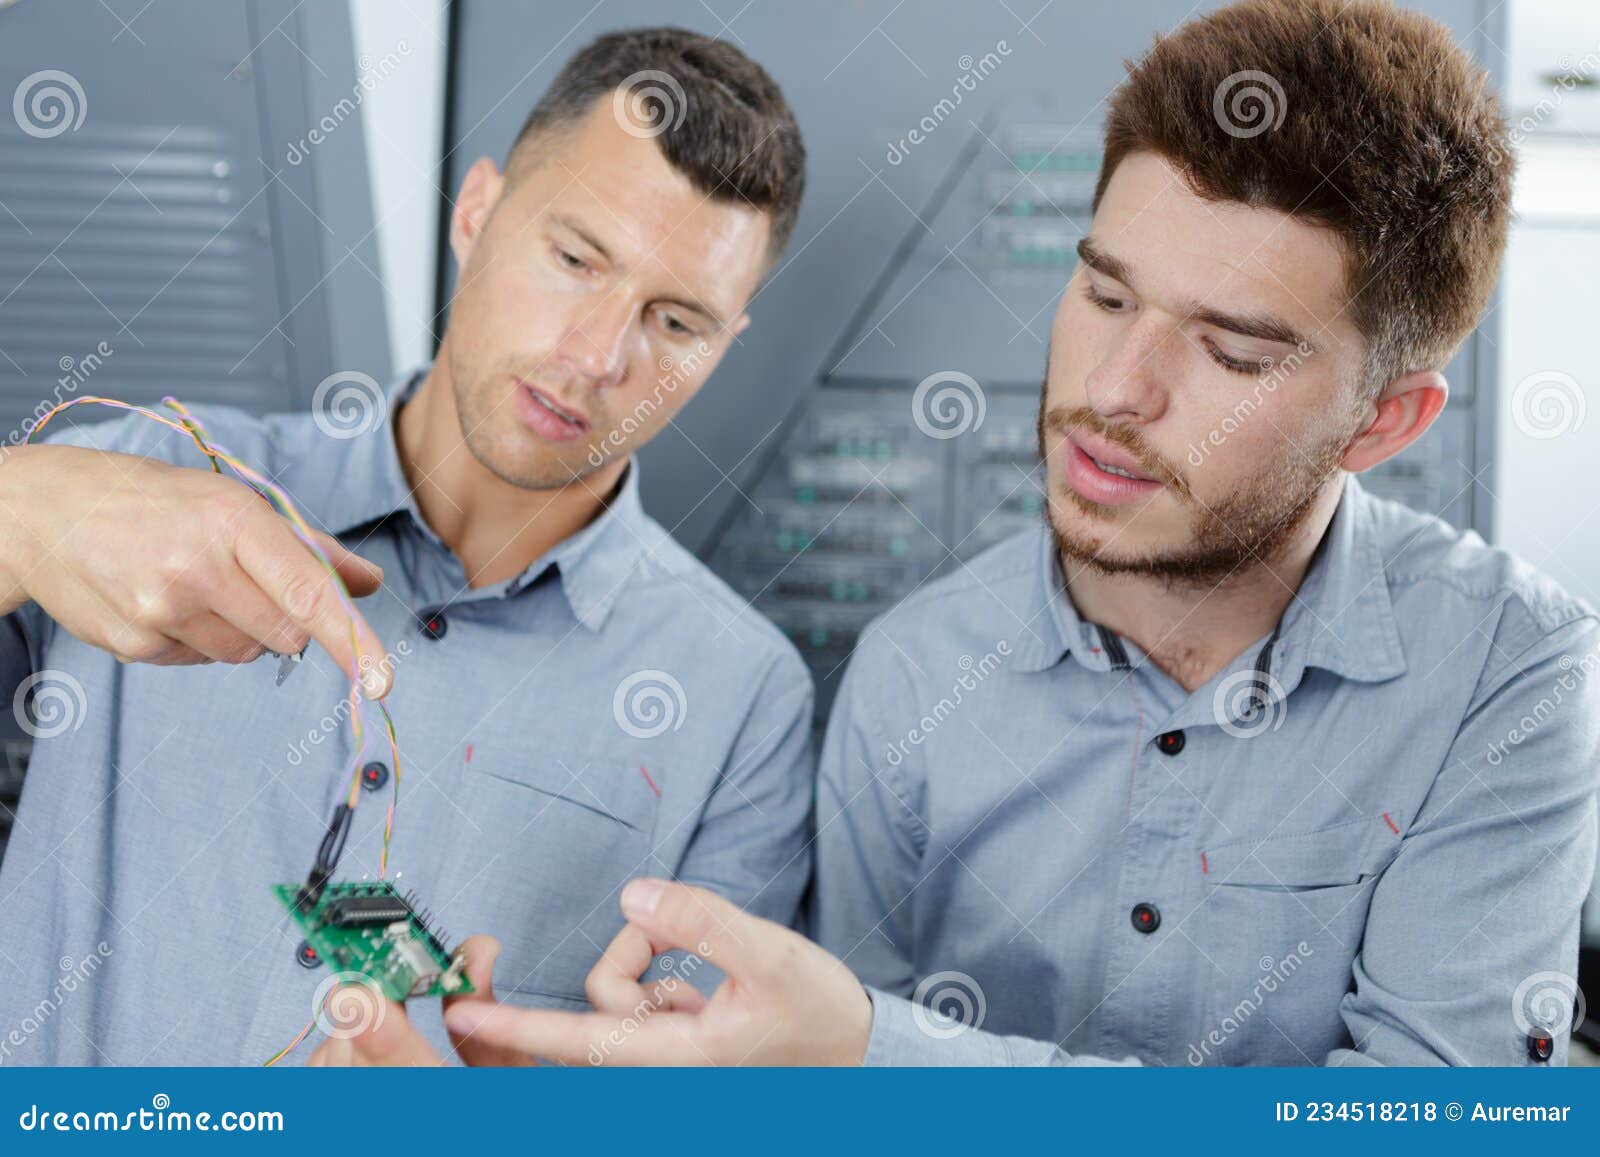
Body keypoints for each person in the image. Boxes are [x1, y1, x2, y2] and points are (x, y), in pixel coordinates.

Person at [313, 0, 1598, 1068]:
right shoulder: (916, 681)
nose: (1116, 389)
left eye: (1231, 351)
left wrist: (874, 1048)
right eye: (1103, 292)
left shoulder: (1508, 671)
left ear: (1384, 420)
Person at [0, 27, 814, 1065]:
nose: (598, 356)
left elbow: (690, 1104)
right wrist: (16, 509)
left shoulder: (742, 700)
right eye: (574, 258)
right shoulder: (149, 473)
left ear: (724, 344)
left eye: (677, 321)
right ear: (475, 210)